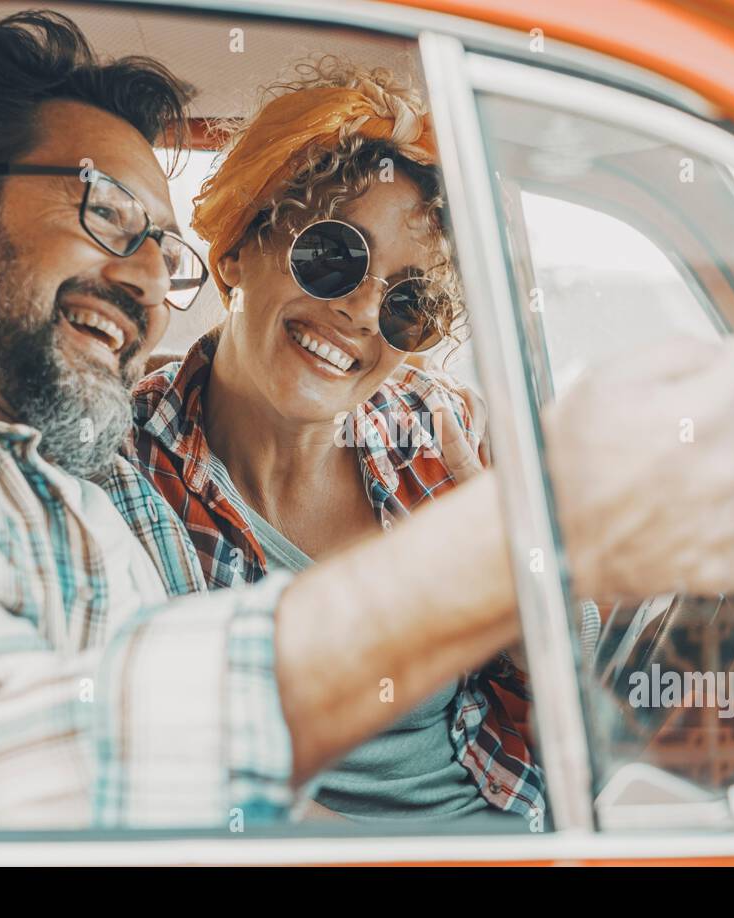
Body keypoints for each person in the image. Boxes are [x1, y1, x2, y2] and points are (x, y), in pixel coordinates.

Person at [0, 11, 734, 830]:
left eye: (413, 305)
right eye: (105, 215)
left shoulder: (42, 456)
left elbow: (623, 651)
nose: (137, 280)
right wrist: (501, 543)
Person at [130, 59, 540, 823]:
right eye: (334, 254)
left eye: (408, 301)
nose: (359, 311)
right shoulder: (125, 468)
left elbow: (575, 689)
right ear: (237, 247)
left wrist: (527, 596)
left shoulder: (446, 435)